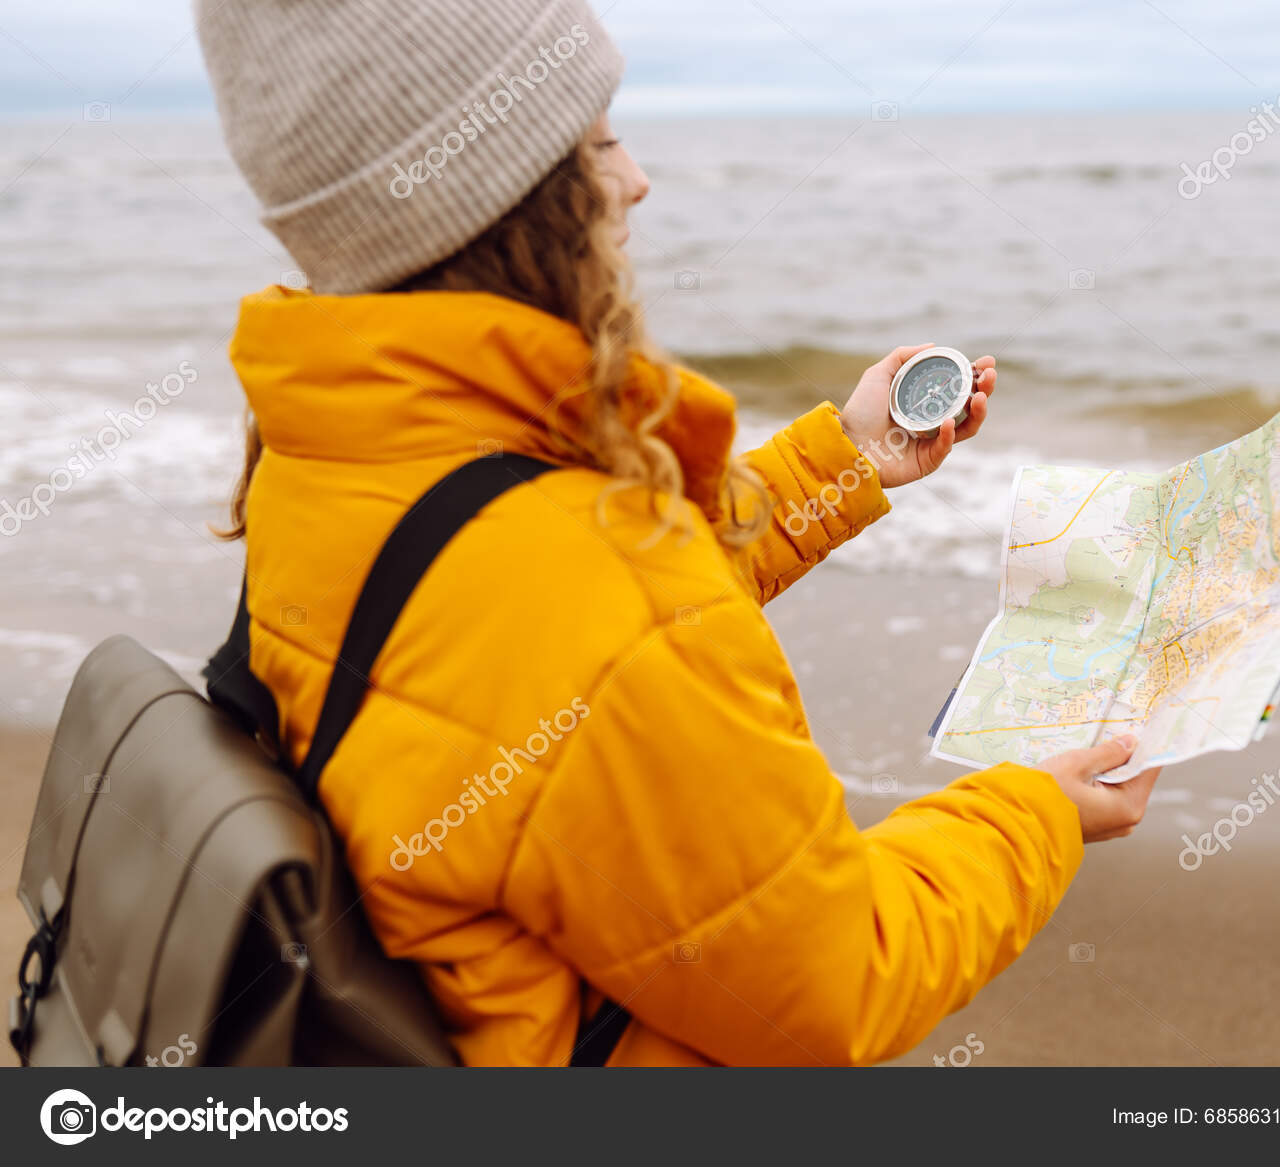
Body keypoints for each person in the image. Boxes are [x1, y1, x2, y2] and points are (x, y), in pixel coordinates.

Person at [195, 0, 1161, 1066]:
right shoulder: (592, 589)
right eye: (599, 141)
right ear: (509, 199)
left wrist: (846, 459)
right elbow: (839, 980)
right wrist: (1037, 814)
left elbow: (553, 629)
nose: (635, 178)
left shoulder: (323, 452)